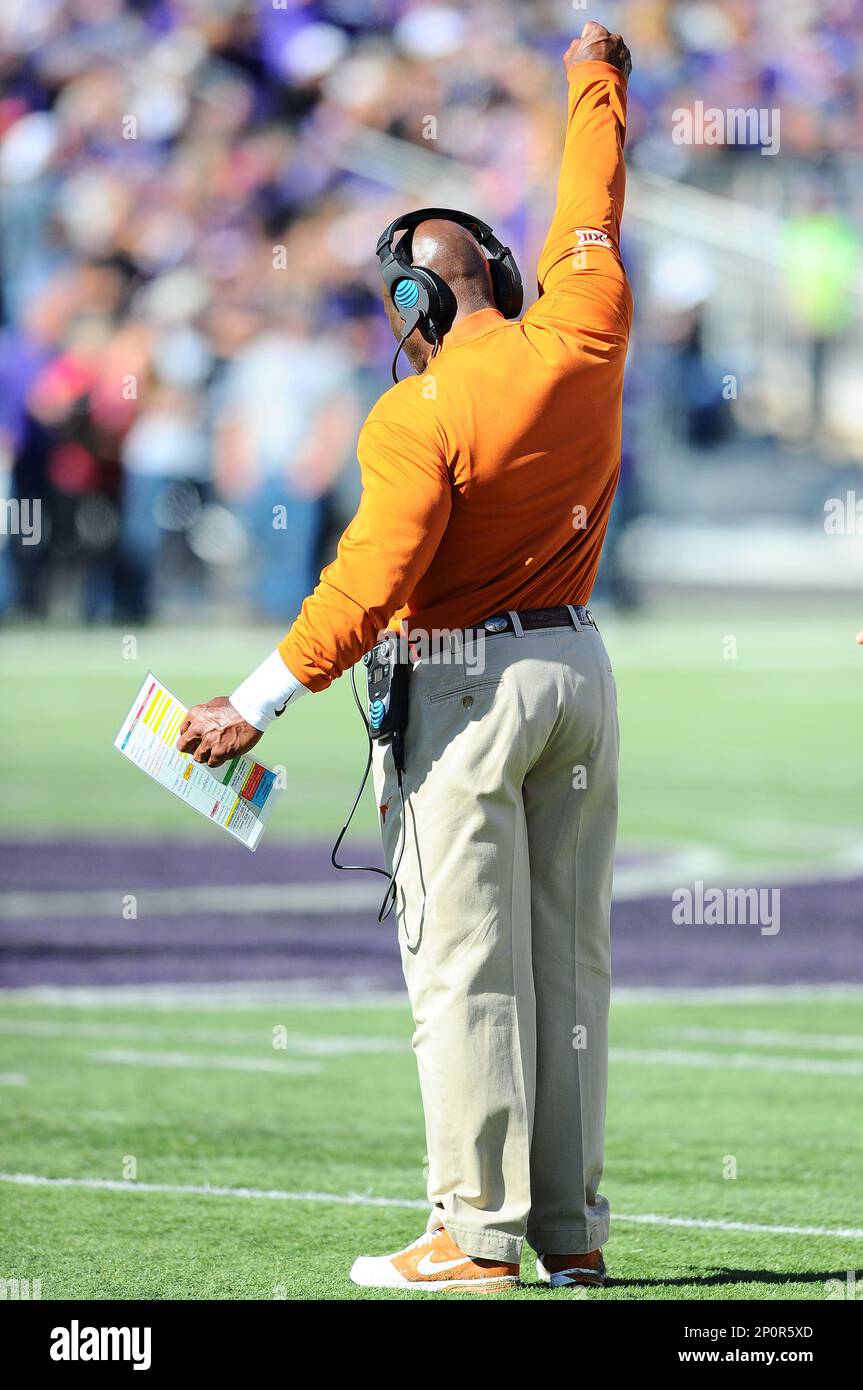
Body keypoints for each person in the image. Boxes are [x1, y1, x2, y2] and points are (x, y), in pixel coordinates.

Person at [179, 19, 633, 1293]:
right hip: (581, 673)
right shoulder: (587, 330)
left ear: (411, 305)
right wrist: (593, 77)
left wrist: (259, 700)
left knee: (463, 967)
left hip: (468, 683)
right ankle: (571, 1231)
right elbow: (589, 198)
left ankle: (475, 1233)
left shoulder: (413, 412)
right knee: (570, 966)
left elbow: (372, 580)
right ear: (496, 270)